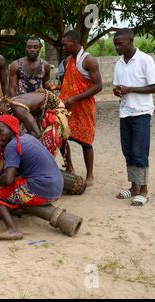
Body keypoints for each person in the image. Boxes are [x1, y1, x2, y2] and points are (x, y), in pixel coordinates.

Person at [0, 115, 64, 240]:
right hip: (57, 187)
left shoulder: (12, 146)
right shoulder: (26, 138)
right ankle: (17, 210)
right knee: (13, 184)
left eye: (1, 131)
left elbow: (7, 180)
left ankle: (13, 230)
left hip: (45, 191)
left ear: (12, 130)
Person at [113, 28, 155, 206]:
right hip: (125, 112)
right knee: (129, 151)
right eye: (115, 44)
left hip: (141, 112)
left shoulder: (145, 60)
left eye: (120, 43)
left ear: (130, 41)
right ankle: (133, 188)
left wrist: (130, 89)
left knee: (140, 151)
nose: (117, 47)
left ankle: (144, 191)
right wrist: (118, 91)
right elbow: (120, 87)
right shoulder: (119, 64)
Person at [59, 30, 102, 186]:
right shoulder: (68, 61)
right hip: (67, 107)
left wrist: (75, 98)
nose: (63, 47)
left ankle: (90, 175)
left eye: (65, 44)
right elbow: (69, 84)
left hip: (83, 108)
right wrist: (56, 87)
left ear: (75, 42)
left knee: (86, 142)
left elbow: (98, 86)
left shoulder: (88, 60)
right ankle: (69, 166)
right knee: (62, 137)